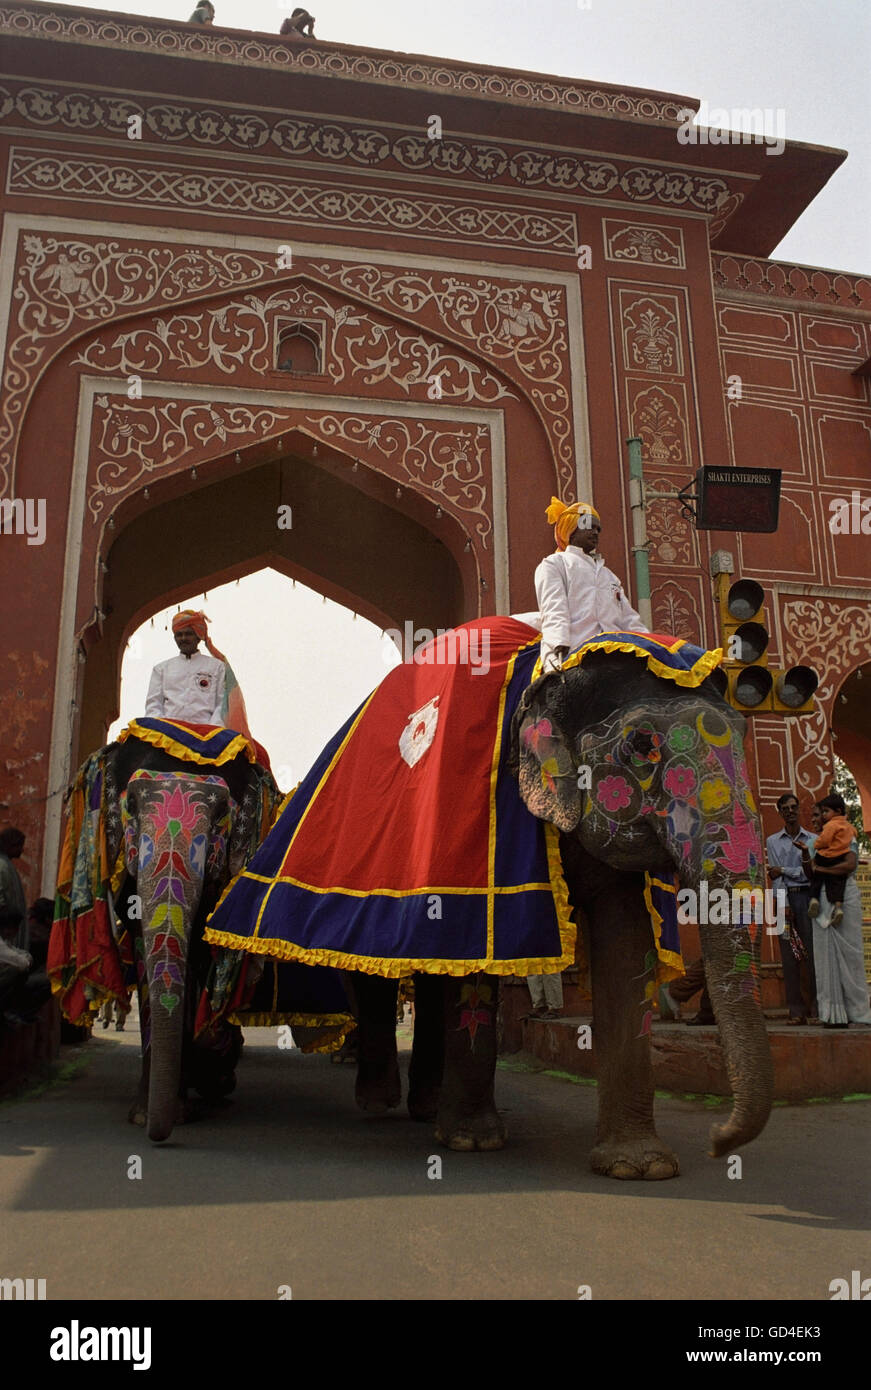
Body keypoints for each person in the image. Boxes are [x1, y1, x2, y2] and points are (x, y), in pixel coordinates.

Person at [534, 498, 647, 674]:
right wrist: (557, 646)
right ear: (571, 528)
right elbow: (554, 609)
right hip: (575, 653)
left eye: (598, 529)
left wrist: (651, 645)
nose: (595, 532)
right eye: (588, 525)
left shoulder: (609, 576)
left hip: (615, 654)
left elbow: (629, 619)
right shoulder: (555, 564)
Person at [798, 796, 871, 1029]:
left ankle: (859, 1013)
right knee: (823, 957)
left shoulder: (845, 836)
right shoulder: (814, 843)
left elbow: (849, 865)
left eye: (821, 814)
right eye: (817, 816)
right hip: (821, 901)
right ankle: (832, 1014)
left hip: (844, 898)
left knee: (851, 956)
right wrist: (805, 856)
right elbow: (810, 874)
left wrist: (821, 869)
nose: (817, 820)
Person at [144, 609, 253, 743]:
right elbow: (153, 704)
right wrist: (161, 728)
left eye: (188, 634)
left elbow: (222, 704)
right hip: (168, 732)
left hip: (207, 733)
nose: (183, 638)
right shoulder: (161, 669)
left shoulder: (216, 666)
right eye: (179, 635)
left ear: (198, 637)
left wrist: (212, 731)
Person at [765, 791, 817, 1024]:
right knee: (789, 956)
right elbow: (774, 878)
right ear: (780, 813)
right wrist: (783, 905)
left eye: (793, 807)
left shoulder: (813, 840)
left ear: (799, 809)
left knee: (812, 954)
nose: (790, 811)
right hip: (783, 904)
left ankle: (815, 1009)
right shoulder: (773, 841)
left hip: (807, 901)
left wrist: (786, 870)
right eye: (785, 808)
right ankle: (796, 1011)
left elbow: (810, 875)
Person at [807, 794, 854, 925]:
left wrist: (817, 847)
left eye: (824, 812)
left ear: (837, 811)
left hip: (827, 857)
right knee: (839, 882)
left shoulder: (830, 826)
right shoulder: (847, 826)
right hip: (840, 858)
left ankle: (814, 899)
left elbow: (825, 840)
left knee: (817, 874)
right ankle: (838, 907)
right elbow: (853, 834)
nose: (822, 816)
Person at [0, 827, 28, 952]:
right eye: (19, 846)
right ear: (8, 845)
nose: (21, 850)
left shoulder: (7, 865)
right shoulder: (2, 866)